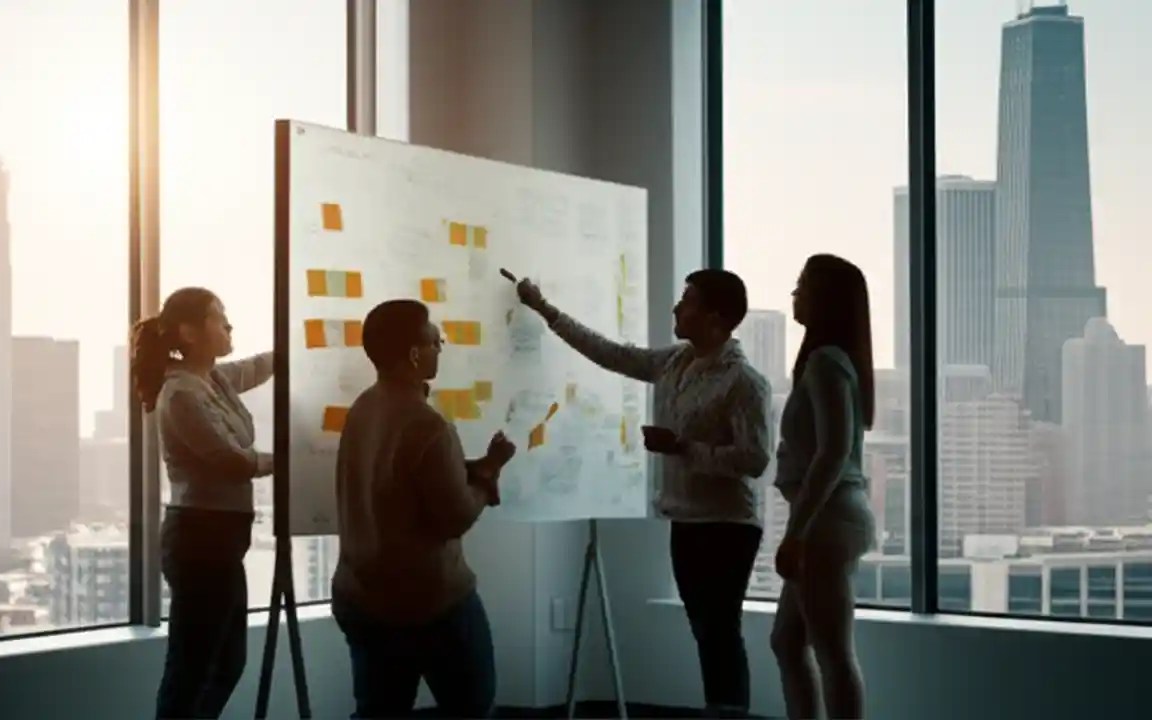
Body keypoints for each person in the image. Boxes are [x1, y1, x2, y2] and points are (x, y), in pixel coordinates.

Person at [514, 269, 772, 719]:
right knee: (704, 630)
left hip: (727, 525)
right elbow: (611, 355)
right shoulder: (675, 362)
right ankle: (721, 709)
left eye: (687, 301)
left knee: (718, 631)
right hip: (686, 518)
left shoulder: (744, 382)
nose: (677, 307)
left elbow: (754, 459)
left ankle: (728, 711)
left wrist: (684, 448)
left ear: (714, 317)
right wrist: (545, 310)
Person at [331, 299, 517, 719]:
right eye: (436, 340)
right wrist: (487, 479)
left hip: (359, 593)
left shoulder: (364, 407)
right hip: (426, 604)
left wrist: (473, 467)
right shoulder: (427, 425)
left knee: (378, 711)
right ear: (415, 354)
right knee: (471, 706)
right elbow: (454, 518)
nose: (441, 347)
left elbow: (397, 483)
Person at [133, 287, 276, 720]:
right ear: (190, 332)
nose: (229, 325)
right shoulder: (181, 394)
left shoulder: (210, 379)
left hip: (220, 541)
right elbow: (231, 462)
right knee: (193, 671)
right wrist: (292, 456)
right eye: (220, 317)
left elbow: (255, 368)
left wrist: (297, 346)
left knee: (226, 664)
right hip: (200, 541)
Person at [770, 254, 876, 720]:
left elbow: (831, 453)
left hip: (827, 519)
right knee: (788, 641)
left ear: (824, 299)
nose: (795, 294)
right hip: (832, 515)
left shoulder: (825, 363)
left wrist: (797, 532)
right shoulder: (832, 362)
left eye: (802, 285)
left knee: (833, 652)